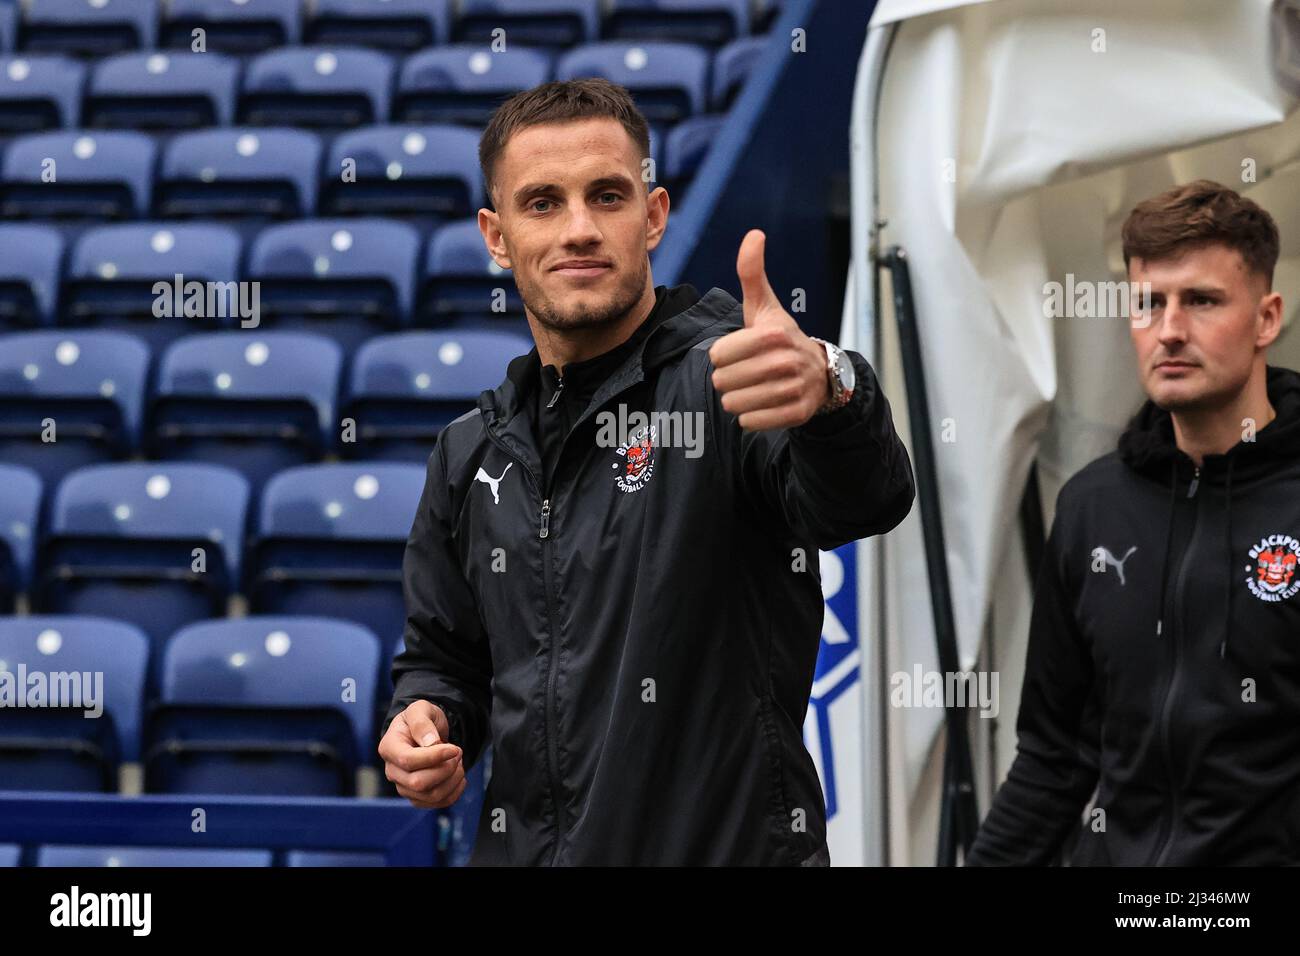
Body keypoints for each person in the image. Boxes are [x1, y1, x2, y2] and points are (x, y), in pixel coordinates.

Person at [376, 78, 915, 865]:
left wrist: (831, 387)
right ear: (496, 237)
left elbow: (867, 500)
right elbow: (444, 658)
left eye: (608, 195)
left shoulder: (731, 378)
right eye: (543, 203)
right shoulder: (471, 450)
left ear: (653, 215)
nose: (580, 229)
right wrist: (426, 722)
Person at [968, 180, 1300, 865]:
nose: (1170, 329)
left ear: (1267, 318)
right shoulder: (1094, 507)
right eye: (1149, 303)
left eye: (1202, 301)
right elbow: (1053, 759)